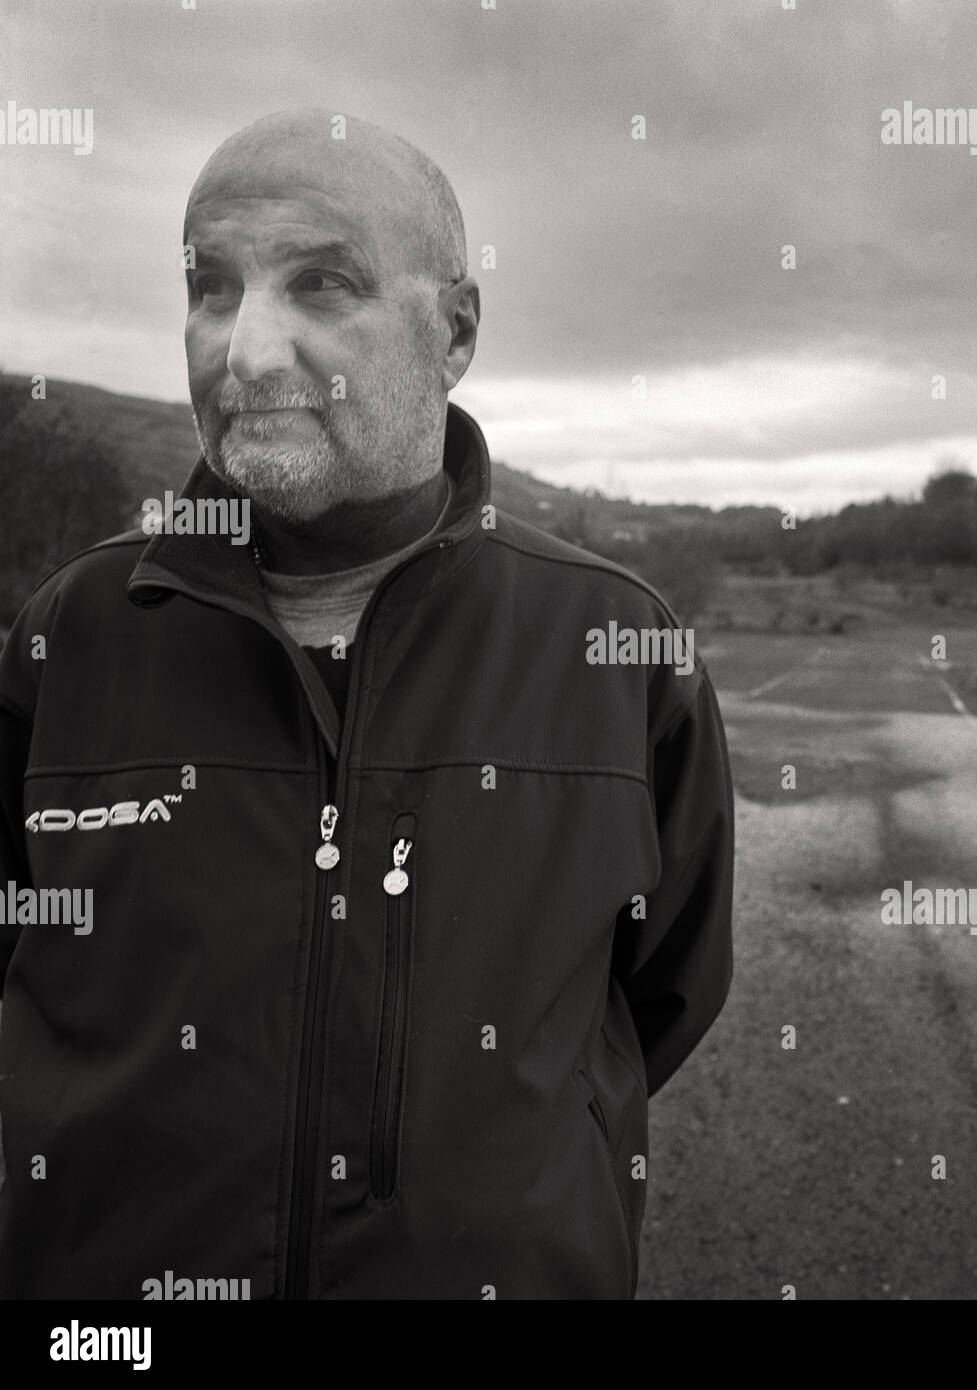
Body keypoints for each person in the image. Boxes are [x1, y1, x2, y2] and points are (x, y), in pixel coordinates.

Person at [0, 110, 734, 1299]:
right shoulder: (68, 638)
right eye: (211, 287)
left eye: (323, 283)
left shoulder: (617, 649)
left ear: (454, 333)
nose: (244, 353)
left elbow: (663, 993)